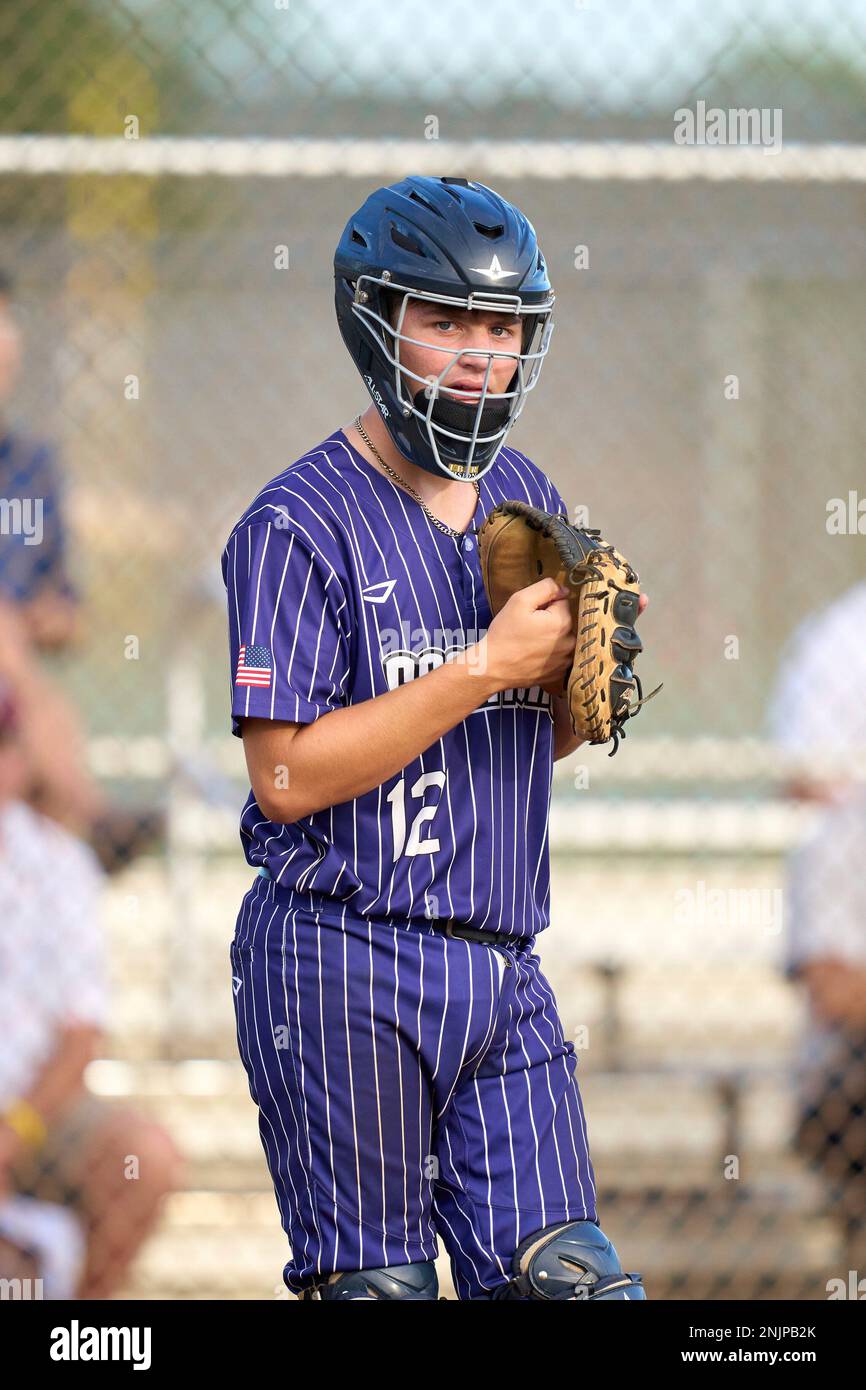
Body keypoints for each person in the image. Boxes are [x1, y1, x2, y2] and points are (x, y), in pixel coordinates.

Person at [223, 176, 648, 1300]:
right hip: (339, 957)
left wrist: (564, 697)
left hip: (498, 966)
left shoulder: (526, 501)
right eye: (442, 320)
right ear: (374, 323)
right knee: (381, 1291)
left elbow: (510, 740)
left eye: (500, 327)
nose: (476, 354)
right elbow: (283, 777)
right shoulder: (292, 525)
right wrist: (485, 666)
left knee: (571, 1283)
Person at [0, 678, 183, 1297]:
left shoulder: (58, 864)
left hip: (33, 1116)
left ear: (20, 760)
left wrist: (13, 1133)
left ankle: (81, 1324)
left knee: (145, 1156)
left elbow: (81, 1037)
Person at [0, 268, 165, 873]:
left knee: (19, 768)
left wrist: (36, 622)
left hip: (13, 709)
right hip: (21, 701)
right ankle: (93, 818)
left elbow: (68, 617)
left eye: (6, 321)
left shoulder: (30, 469)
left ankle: (81, 826)